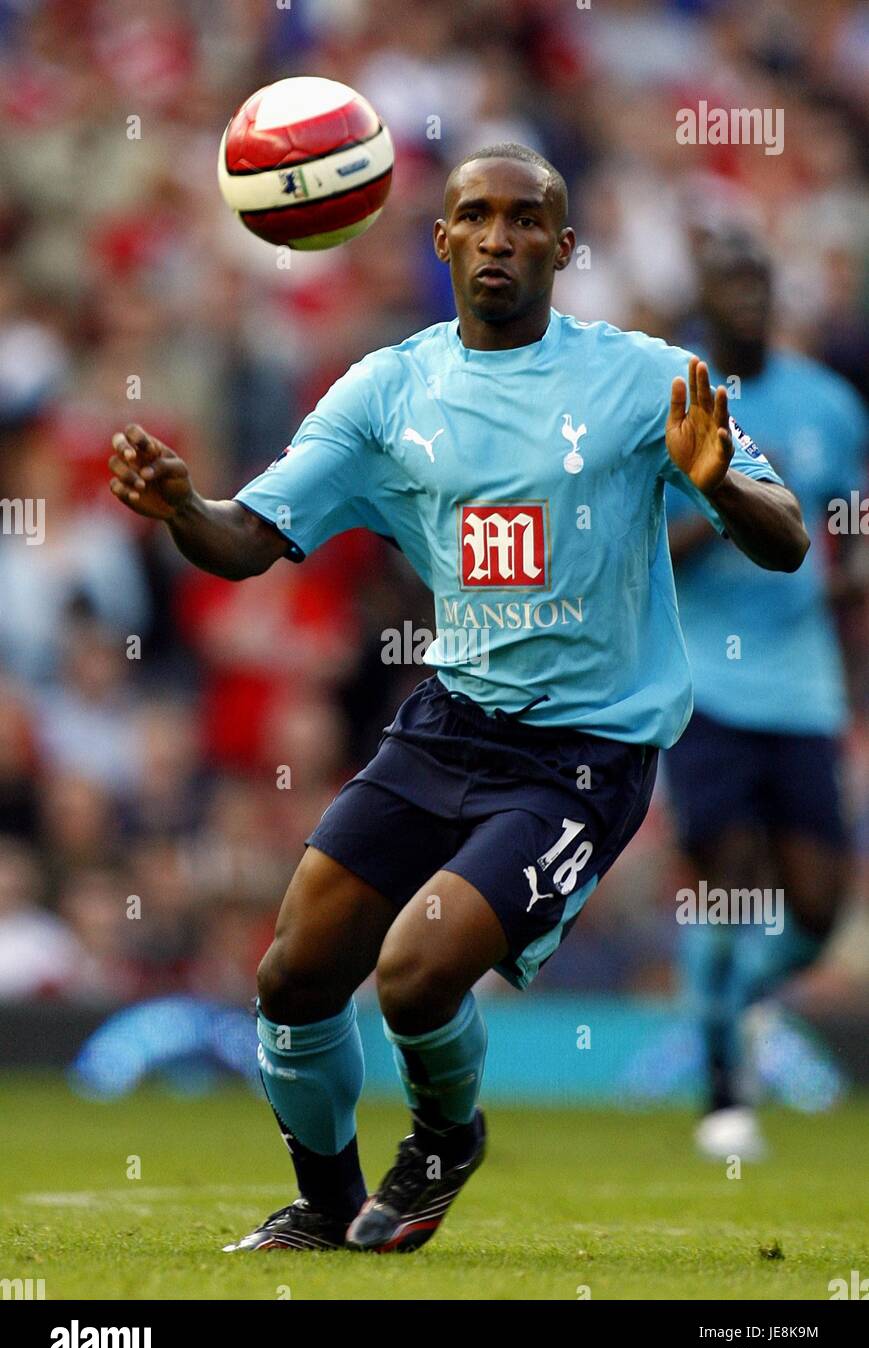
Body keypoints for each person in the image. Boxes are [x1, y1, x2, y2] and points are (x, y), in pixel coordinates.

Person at [108, 145, 809, 1253]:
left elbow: (786, 540)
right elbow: (248, 539)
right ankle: (325, 1203)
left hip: (584, 754)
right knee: (293, 974)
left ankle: (443, 1137)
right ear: (438, 240)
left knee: (416, 969)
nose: (498, 236)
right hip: (450, 721)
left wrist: (717, 479)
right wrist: (185, 503)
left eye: (525, 220)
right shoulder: (387, 389)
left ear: (563, 249)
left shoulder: (643, 378)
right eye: (474, 216)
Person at [665, 229, 867, 1159]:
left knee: (817, 911)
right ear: (705, 303)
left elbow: (848, 522)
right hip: (704, 677)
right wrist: (725, 502)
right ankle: (720, 1091)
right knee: (731, 884)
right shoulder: (679, 404)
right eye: (727, 291)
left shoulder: (828, 404)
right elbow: (640, 548)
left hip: (802, 682)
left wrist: (849, 576)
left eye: (757, 287)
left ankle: (735, 999)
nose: (744, 305)